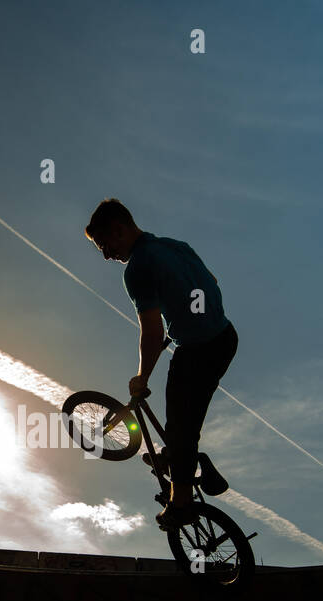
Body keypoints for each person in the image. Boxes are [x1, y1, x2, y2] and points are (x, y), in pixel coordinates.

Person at [85, 198, 237, 529]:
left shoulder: (137, 268)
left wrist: (142, 377)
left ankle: (180, 503)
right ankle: (191, 463)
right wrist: (182, 322)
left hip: (198, 349)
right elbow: (210, 281)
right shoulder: (176, 246)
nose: (106, 255)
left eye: (105, 244)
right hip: (225, 337)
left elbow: (151, 332)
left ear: (119, 229)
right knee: (185, 418)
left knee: (181, 427)